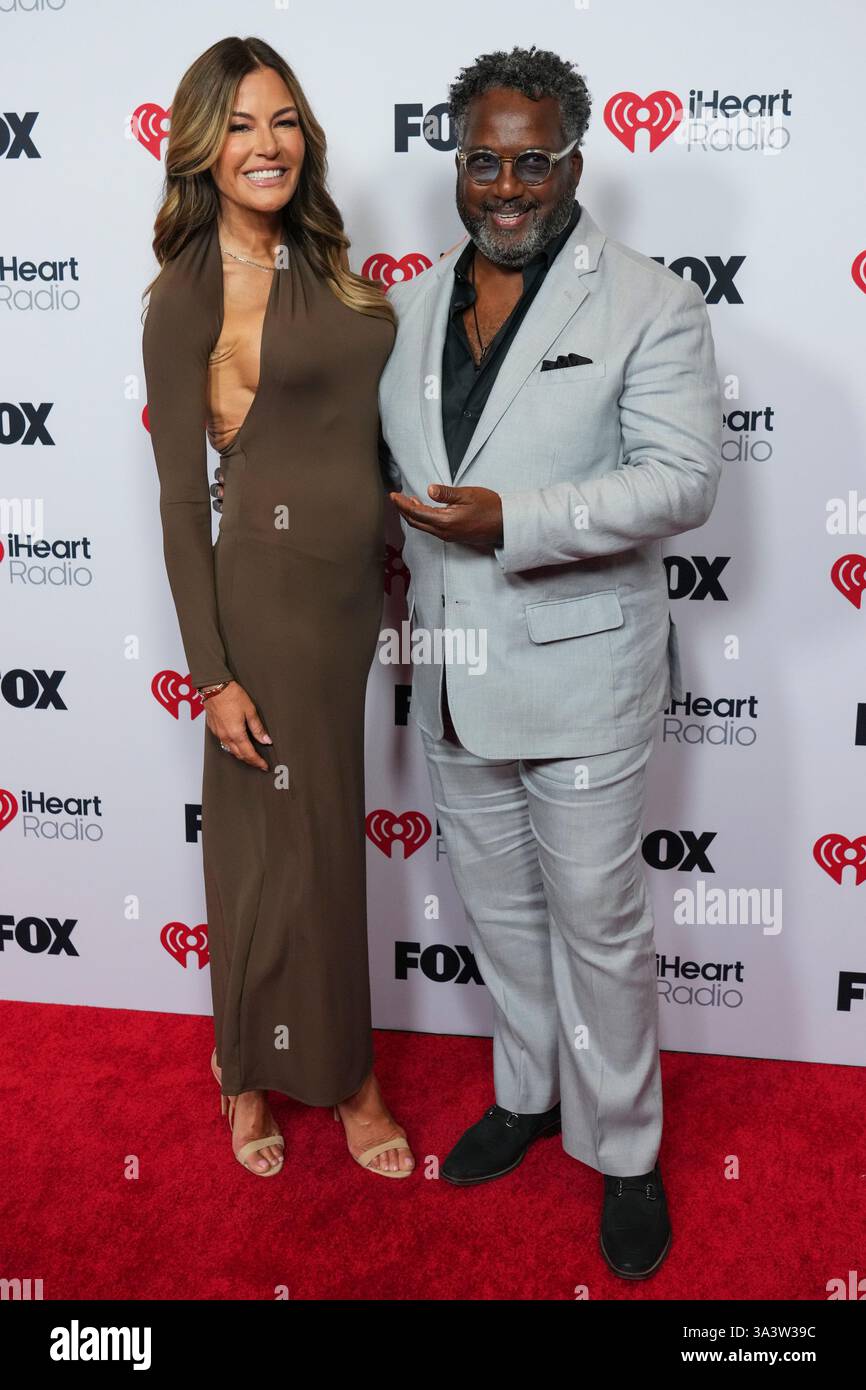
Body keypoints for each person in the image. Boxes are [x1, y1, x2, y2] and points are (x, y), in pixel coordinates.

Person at [379, 45, 721, 1277]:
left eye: (532, 161)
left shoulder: (647, 300)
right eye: (483, 161)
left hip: (581, 680)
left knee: (597, 925)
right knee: (503, 916)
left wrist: (514, 522)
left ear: (573, 161)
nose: (506, 186)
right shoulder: (411, 302)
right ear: (456, 165)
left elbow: (682, 480)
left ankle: (623, 1149)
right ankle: (526, 1093)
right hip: (454, 673)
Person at [142, 35, 414, 1178]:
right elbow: (175, 500)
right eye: (242, 126)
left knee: (307, 842)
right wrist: (212, 674)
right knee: (278, 850)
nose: (268, 146)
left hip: (354, 597)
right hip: (270, 605)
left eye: (284, 121)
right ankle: (303, 1077)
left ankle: (263, 1058)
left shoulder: (331, 267)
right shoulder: (189, 294)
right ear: (201, 148)